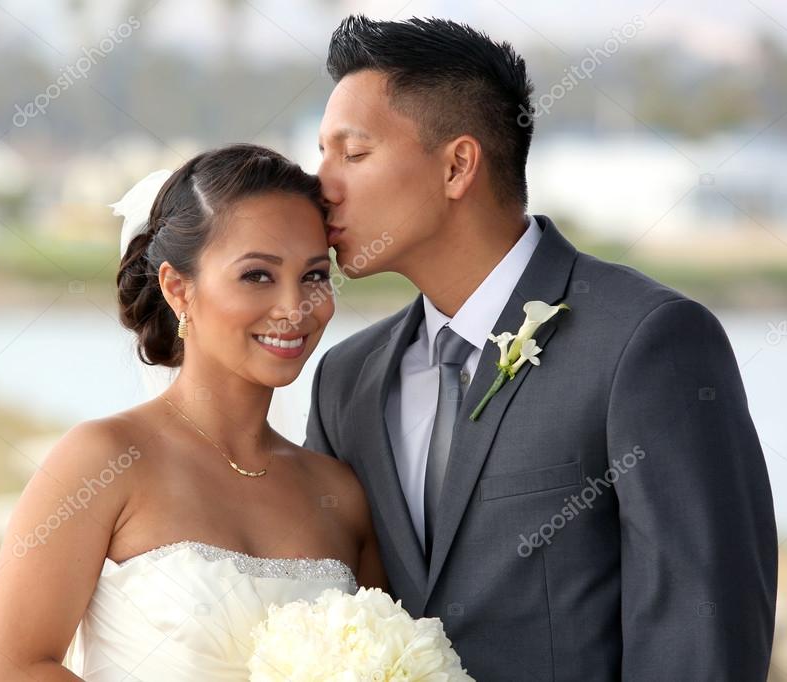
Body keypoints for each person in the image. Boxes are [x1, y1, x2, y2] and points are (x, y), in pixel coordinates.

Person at [305, 15, 777, 681]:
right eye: (319, 153)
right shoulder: (342, 381)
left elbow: (703, 630)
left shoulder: (646, 342)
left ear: (457, 165)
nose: (319, 183)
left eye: (351, 155)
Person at [0, 144, 388, 681]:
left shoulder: (341, 495)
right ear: (177, 287)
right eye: (257, 275)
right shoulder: (101, 460)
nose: (294, 307)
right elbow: (10, 669)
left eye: (313, 275)